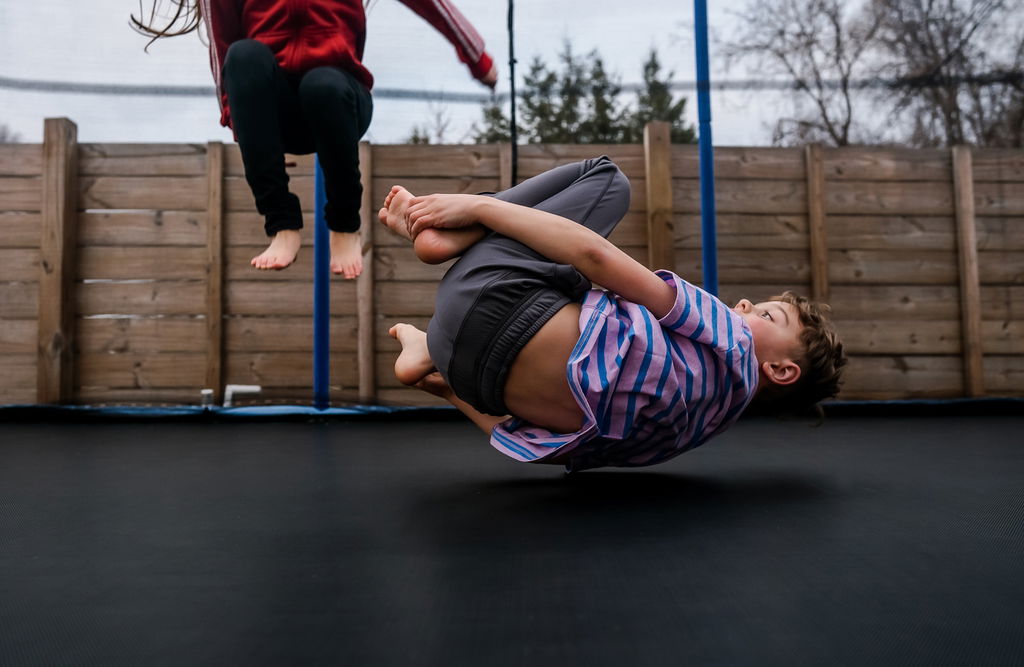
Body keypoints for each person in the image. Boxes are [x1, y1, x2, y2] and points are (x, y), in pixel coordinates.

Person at [378, 157, 847, 472]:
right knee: (583, 295)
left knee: (606, 179)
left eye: (767, 315)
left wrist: (479, 205)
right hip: (466, 369)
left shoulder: (730, 338)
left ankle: (451, 229)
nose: (745, 305)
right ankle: (427, 357)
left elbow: (595, 254)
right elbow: (545, 450)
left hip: (494, 299)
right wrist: (449, 391)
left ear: (781, 370)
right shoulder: (689, 434)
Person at [132, 0, 497, 277]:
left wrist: (476, 56)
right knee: (245, 55)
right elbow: (223, 49)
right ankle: (281, 224)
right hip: (274, 109)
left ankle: (344, 224)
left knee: (322, 84)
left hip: (340, 101)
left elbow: (431, 5)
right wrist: (247, 133)